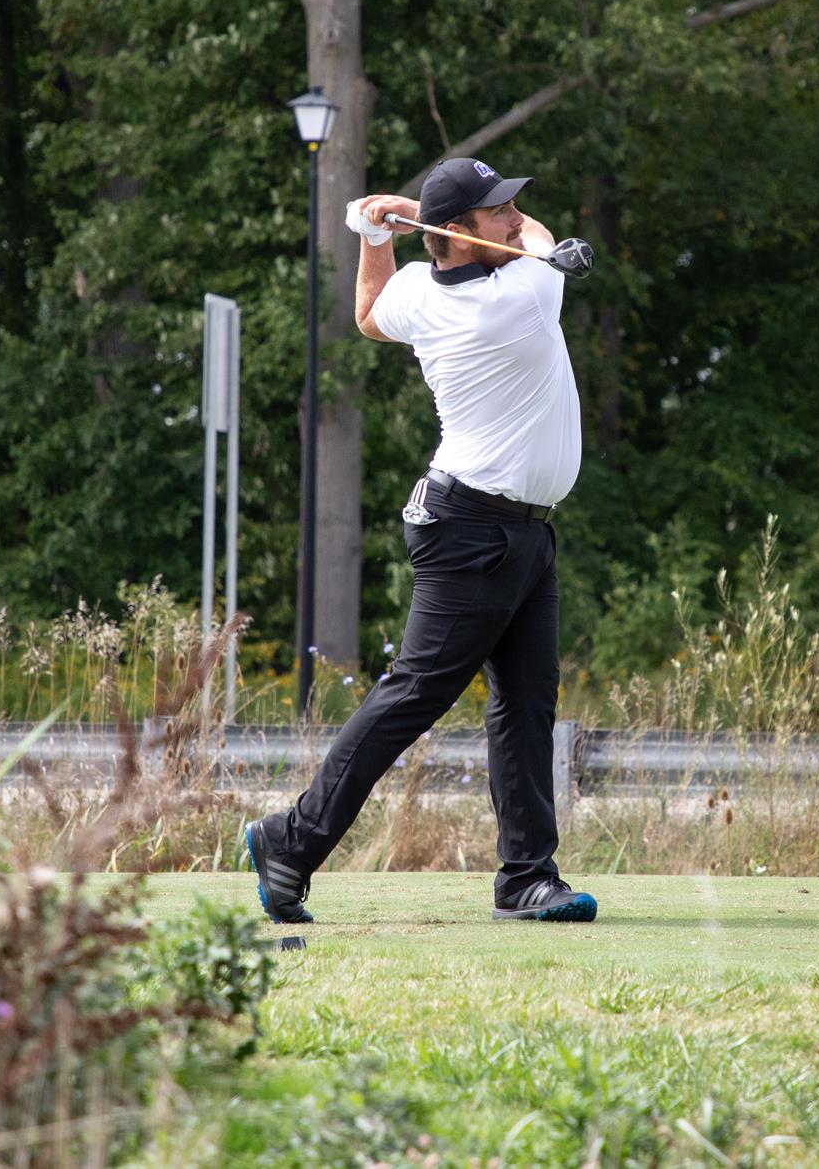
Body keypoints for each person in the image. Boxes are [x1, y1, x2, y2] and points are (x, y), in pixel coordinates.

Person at [243, 157, 595, 924]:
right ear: (461, 234)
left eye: (512, 209)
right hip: (473, 530)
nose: (515, 220)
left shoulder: (421, 291)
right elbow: (540, 238)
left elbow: (370, 312)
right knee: (414, 695)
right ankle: (290, 840)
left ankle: (526, 878)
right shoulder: (523, 294)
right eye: (497, 212)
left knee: (525, 702)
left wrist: (374, 235)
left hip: (517, 532)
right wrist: (411, 210)